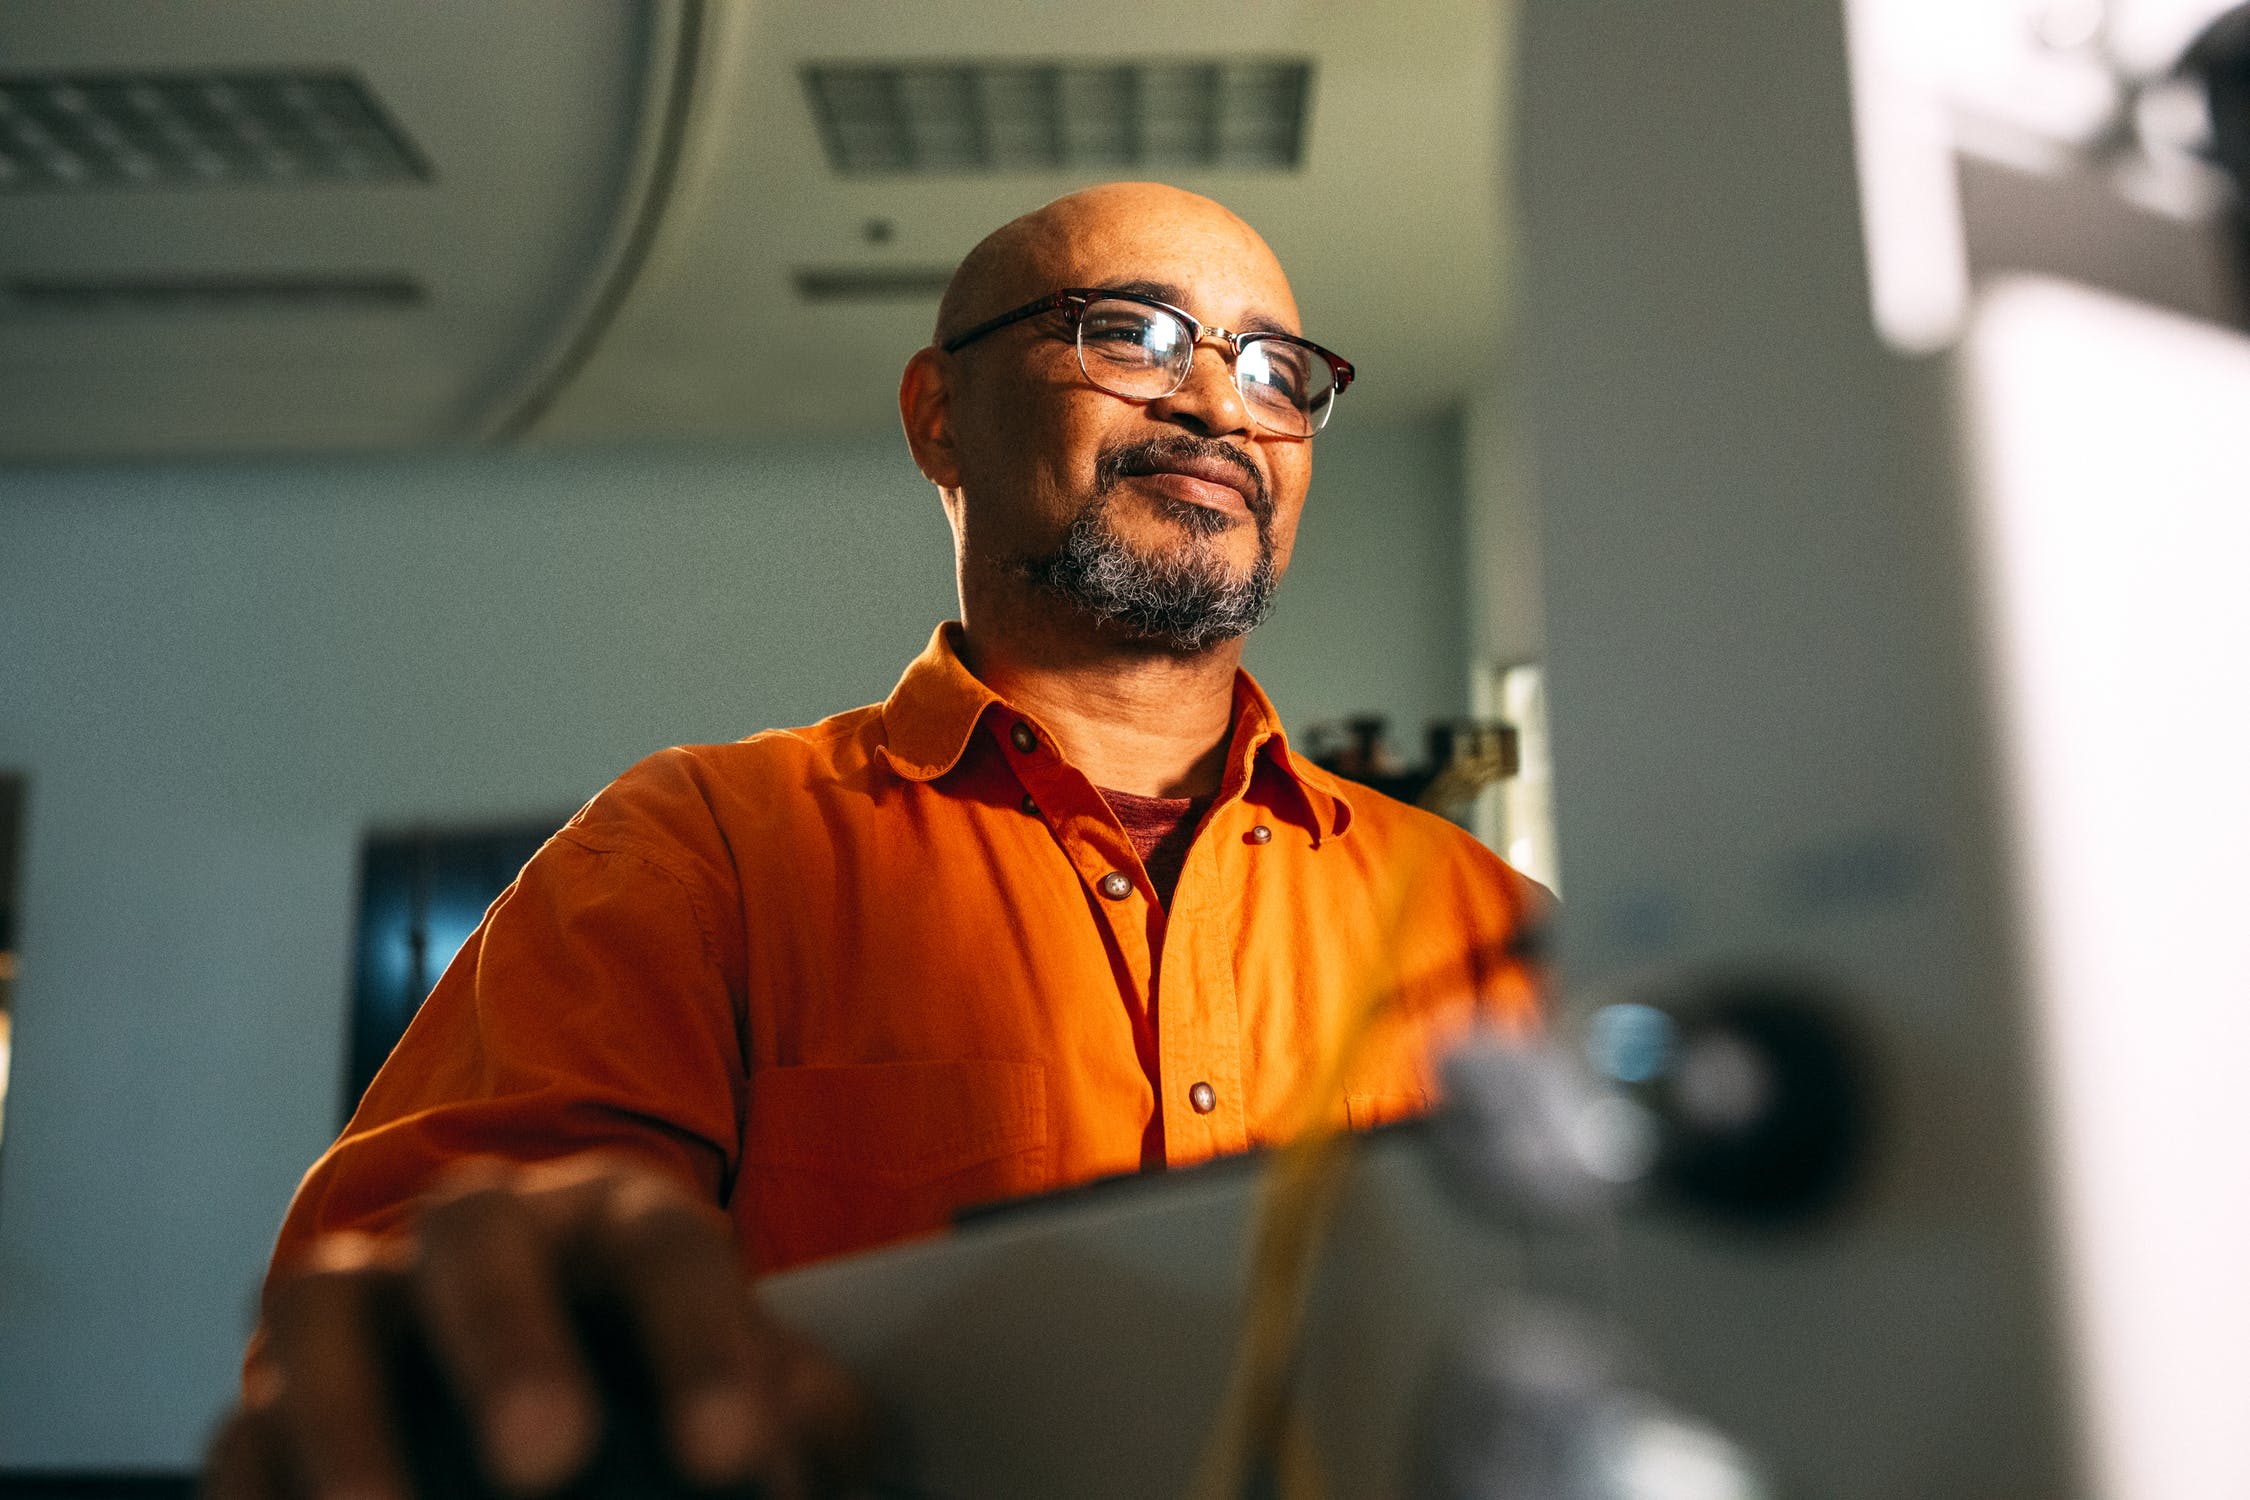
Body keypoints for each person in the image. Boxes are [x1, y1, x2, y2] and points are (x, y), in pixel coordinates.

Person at [207, 181, 1546, 1500]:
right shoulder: (698, 856)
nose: (1212, 402)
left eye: (1274, 368)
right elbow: (405, 1366)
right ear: (936, 417)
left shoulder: (1481, 920)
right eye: (1131, 333)